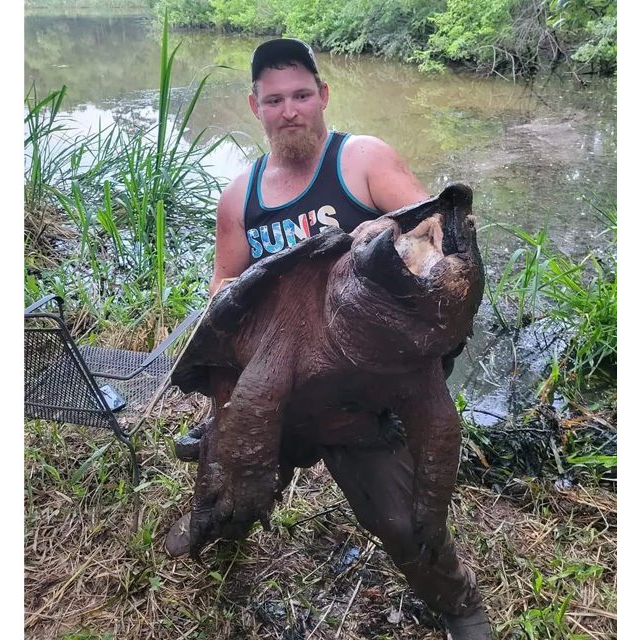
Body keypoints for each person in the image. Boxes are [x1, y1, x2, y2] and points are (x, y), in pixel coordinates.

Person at [166, 38, 491, 639]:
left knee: (402, 521)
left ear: (323, 96)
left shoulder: (361, 159)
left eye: (300, 95)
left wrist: (386, 228)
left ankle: (460, 605)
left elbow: (435, 232)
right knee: (234, 467)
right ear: (255, 107)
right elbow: (223, 285)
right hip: (277, 374)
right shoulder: (240, 195)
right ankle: (220, 529)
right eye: (274, 100)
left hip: (366, 386)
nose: (289, 110)